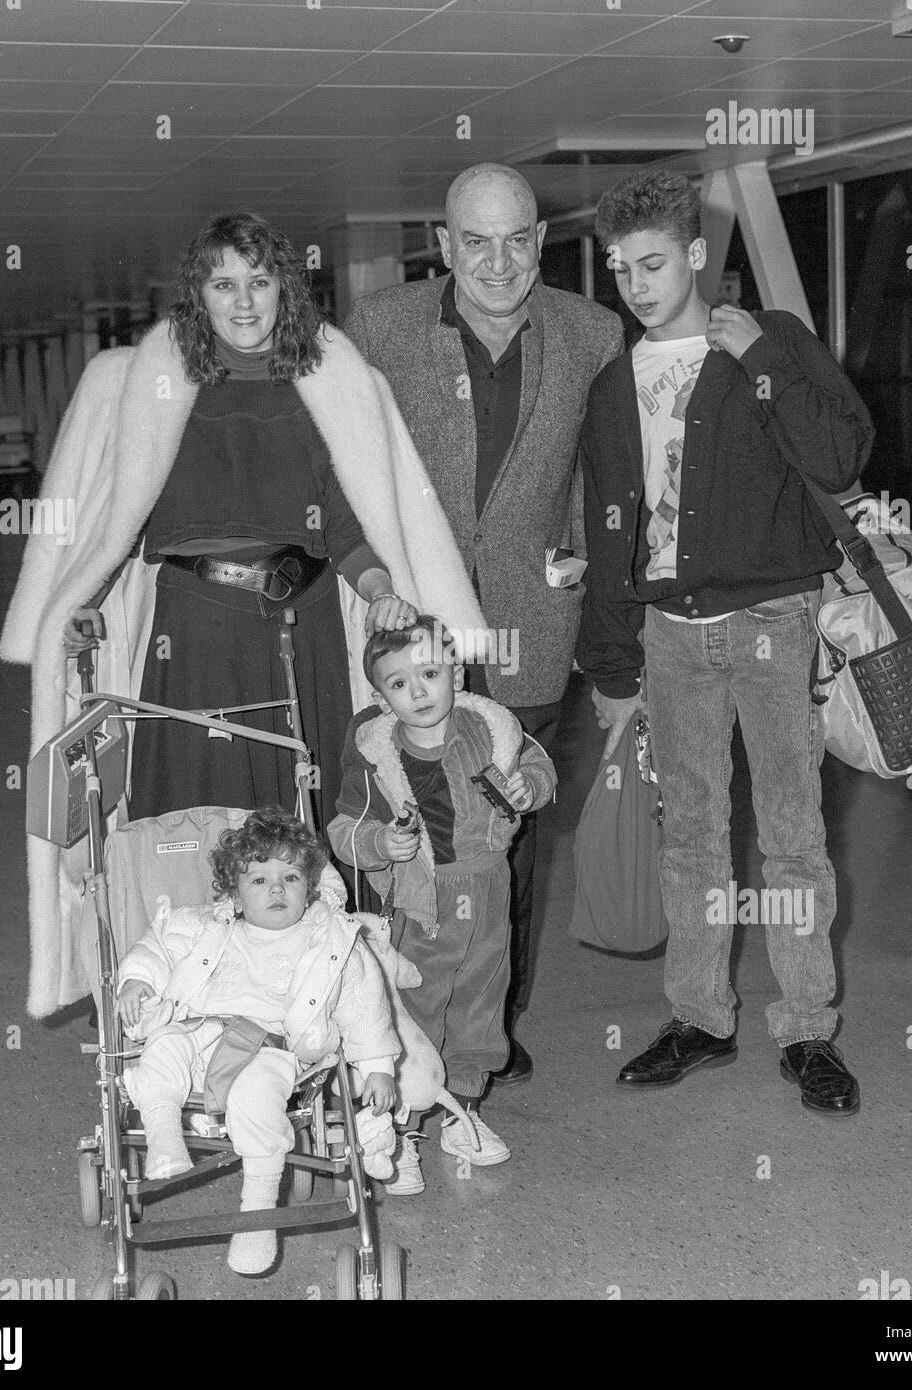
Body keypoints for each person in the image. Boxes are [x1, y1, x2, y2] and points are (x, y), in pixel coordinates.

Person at [1, 210, 489, 1021]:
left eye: (259, 281)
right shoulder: (150, 384)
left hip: (304, 633)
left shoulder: (329, 380)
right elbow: (116, 523)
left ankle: (325, 1012)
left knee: (315, 811)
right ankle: (193, 1015)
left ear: (284, 287)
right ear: (197, 292)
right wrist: (82, 605)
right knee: (194, 823)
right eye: (223, 282)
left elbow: (347, 521)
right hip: (189, 634)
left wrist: (381, 592)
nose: (243, 300)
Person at [577, 170, 875, 1116]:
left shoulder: (771, 340)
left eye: (653, 262)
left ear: (698, 257)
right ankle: (700, 1018)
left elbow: (838, 457)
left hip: (769, 624)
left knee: (791, 836)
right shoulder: (611, 382)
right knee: (692, 837)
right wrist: (611, 662)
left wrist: (766, 363)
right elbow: (608, 527)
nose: (634, 283)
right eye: (620, 268)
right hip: (669, 635)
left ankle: (806, 1030)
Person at [344, 163, 624, 1082]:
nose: (496, 262)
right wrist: (371, 575)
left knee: (507, 814)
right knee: (394, 808)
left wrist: (584, 563)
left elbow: (607, 475)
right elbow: (342, 467)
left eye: (515, 240)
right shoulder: (381, 328)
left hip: (527, 620)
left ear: (540, 242)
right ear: (443, 242)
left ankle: (487, 1022)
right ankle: (377, 1012)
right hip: (406, 623)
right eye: (475, 240)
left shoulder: (591, 333)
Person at [117, 807, 398, 1275]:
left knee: (258, 1098)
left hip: (272, 1048)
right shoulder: (204, 924)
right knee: (162, 1050)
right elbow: (157, 945)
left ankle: (257, 1216)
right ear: (234, 891)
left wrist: (378, 1067)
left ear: (309, 886)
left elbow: (363, 1004)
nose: (276, 890)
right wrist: (137, 979)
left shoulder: (331, 940)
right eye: (259, 880)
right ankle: (165, 1139)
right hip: (197, 1029)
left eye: (289, 877)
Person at [328, 616, 556, 1193]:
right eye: (399, 684)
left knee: (482, 997)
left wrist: (532, 785)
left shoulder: (492, 727)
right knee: (416, 1004)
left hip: (489, 888)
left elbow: (538, 764)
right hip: (423, 898)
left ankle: (464, 1107)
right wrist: (380, 841)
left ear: (455, 669)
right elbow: (343, 828)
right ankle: (397, 1126)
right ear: (380, 698)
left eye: (429, 673)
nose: (419, 692)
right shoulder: (375, 753)